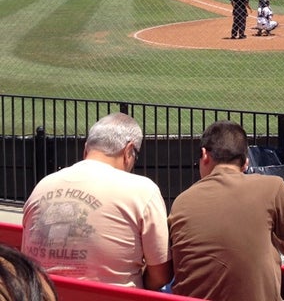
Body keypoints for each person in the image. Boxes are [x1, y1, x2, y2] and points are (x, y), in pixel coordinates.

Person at [21, 113, 172, 290]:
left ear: (86, 149)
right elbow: (161, 275)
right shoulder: (143, 189)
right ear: (128, 151)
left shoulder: (42, 186)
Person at [168, 120, 284, 301]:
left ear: (204, 155)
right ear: (245, 164)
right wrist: (271, 235)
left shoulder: (181, 202)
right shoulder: (273, 187)